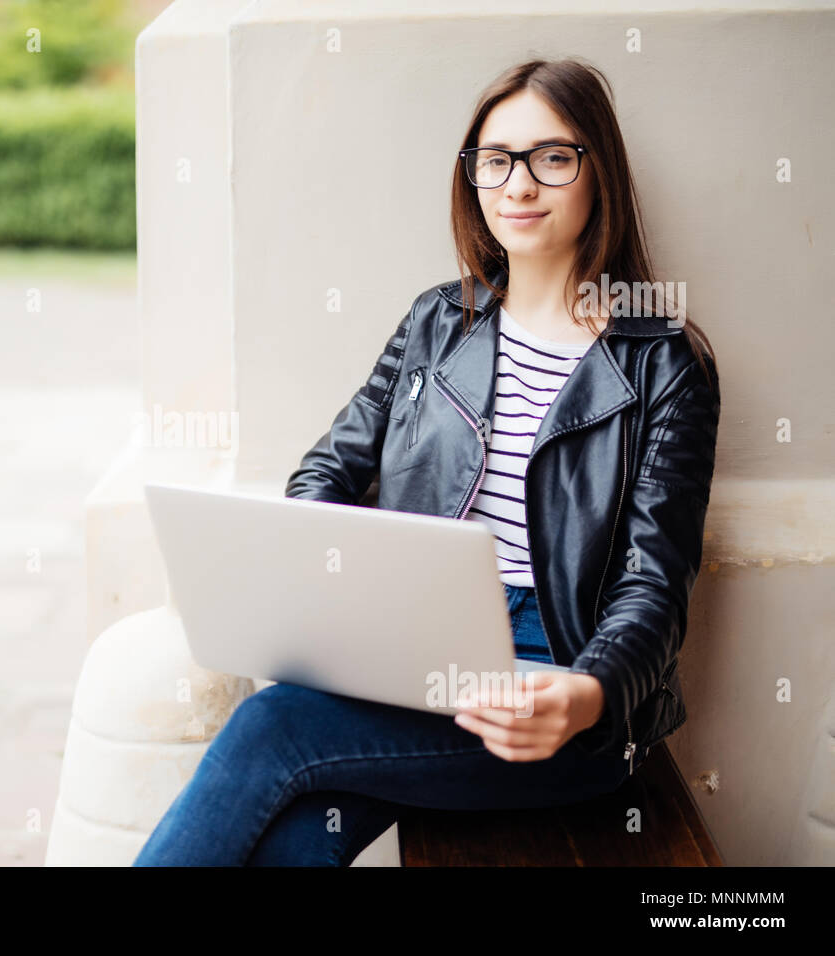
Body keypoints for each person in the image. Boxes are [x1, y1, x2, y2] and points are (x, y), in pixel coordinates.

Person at [132, 57, 721, 866]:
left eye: (553, 156)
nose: (519, 184)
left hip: (559, 681)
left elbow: (656, 586)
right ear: (473, 177)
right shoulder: (438, 321)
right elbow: (324, 475)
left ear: (600, 174)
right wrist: (338, 584)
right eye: (495, 159)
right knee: (293, 845)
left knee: (275, 724)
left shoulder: (666, 365)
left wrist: (590, 696)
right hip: (421, 645)